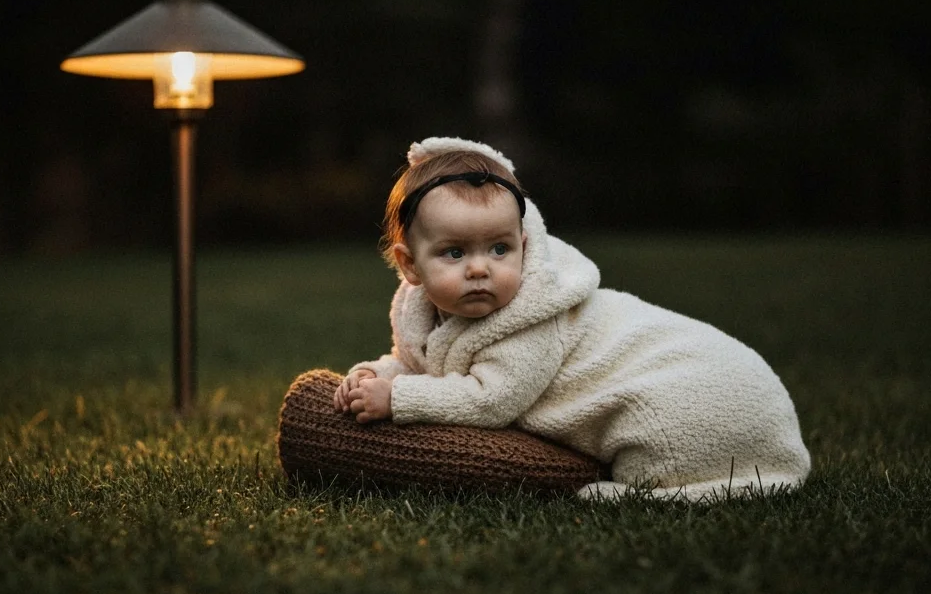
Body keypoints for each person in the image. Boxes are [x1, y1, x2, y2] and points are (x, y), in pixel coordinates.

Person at [333, 136, 810, 500]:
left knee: (664, 416)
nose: (480, 268)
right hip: (714, 390)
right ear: (410, 265)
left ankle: (667, 484)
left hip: (708, 391)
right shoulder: (420, 309)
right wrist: (376, 375)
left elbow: (490, 399)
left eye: (499, 249)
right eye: (454, 253)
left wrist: (399, 398)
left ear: (523, 244)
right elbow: (421, 361)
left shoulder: (533, 314)